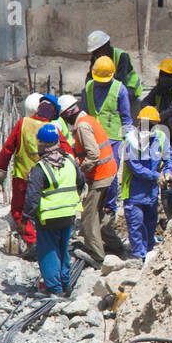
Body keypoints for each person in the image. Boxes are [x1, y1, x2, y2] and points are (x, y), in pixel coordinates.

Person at [0, 95, 72, 252]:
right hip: (45, 178)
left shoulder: (23, 123)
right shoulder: (52, 129)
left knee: (18, 210)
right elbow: (68, 152)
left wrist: (1, 170)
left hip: (22, 177)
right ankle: (47, 241)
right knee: (41, 210)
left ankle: (32, 240)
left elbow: (8, 148)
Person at [22, 124, 85, 296]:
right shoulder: (70, 161)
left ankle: (55, 290)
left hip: (49, 217)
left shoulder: (40, 168)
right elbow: (81, 181)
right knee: (63, 249)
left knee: (48, 253)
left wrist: (24, 217)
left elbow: (32, 197)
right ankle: (66, 285)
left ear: (41, 144)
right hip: (69, 214)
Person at [60, 95, 120, 267]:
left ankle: (96, 255)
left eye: (64, 116)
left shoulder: (82, 126)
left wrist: (79, 171)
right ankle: (115, 246)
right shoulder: (88, 119)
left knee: (88, 216)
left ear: (69, 113)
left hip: (99, 175)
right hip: (107, 171)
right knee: (99, 214)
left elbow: (93, 154)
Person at [120, 107, 172, 260]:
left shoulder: (161, 138)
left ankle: (148, 253)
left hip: (151, 192)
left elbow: (169, 157)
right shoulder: (131, 140)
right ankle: (138, 255)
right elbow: (135, 166)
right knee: (136, 224)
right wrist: (156, 175)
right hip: (134, 191)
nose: (148, 127)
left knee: (150, 223)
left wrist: (168, 171)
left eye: (151, 124)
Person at [84, 56, 134, 216]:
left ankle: (110, 207)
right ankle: (94, 204)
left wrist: (129, 138)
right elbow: (85, 112)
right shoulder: (89, 87)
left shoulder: (120, 89)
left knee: (111, 173)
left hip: (113, 138)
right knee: (92, 172)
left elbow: (126, 117)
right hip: (92, 136)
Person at [85, 30, 143, 106]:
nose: (94, 54)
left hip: (129, 87)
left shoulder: (121, 56)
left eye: (96, 51)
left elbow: (121, 82)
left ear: (105, 46)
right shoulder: (96, 58)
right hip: (108, 85)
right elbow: (90, 77)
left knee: (121, 97)